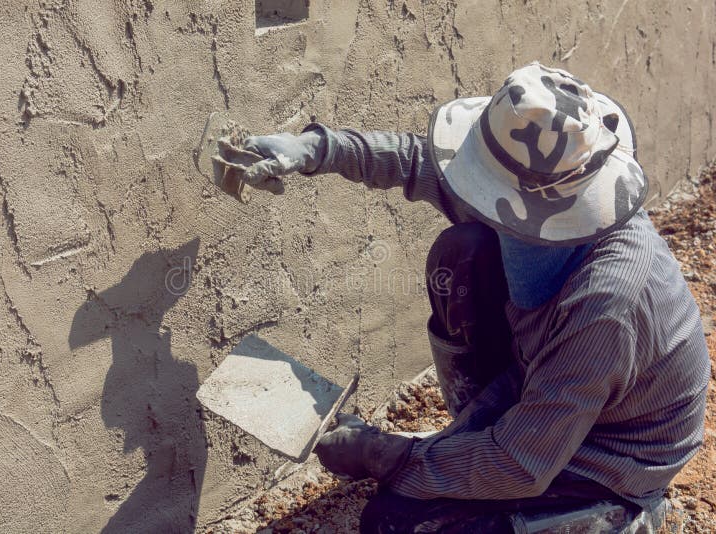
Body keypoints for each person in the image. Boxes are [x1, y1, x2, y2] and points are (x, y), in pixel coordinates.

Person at [222, 62, 710, 532]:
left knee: (397, 522)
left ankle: (617, 518)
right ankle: (479, 432)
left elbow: (522, 464)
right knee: (464, 255)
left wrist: (383, 456)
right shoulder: (547, 193)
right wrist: (315, 149)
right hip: (551, 384)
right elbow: (417, 162)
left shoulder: (606, 307)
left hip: (611, 455)